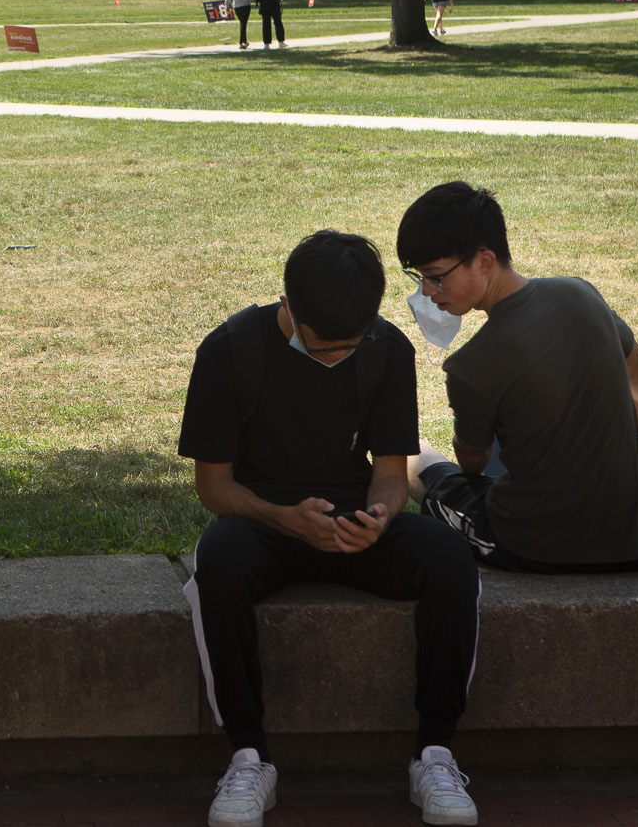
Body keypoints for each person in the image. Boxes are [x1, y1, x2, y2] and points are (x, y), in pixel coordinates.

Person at [180, 230, 480, 827]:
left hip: (352, 520)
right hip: (263, 521)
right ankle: (248, 758)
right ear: (287, 306)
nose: (338, 358)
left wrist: (380, 518)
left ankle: (435, 755)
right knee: (217, 562)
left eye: (351, 345)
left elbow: (391, 475)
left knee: (450, 558)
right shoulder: (230, 350)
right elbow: (213, 487)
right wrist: (282, 517)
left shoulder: (386, 349)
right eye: (323, 349)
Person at [396, 182, 638, 575]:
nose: (427, 291)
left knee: (413, 453)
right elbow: (637, 368)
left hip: (530, 546)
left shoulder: (469, 366)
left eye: (437, 277)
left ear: (484, 261)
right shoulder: (581, 294)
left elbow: (472, 465)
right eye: (420, 277)